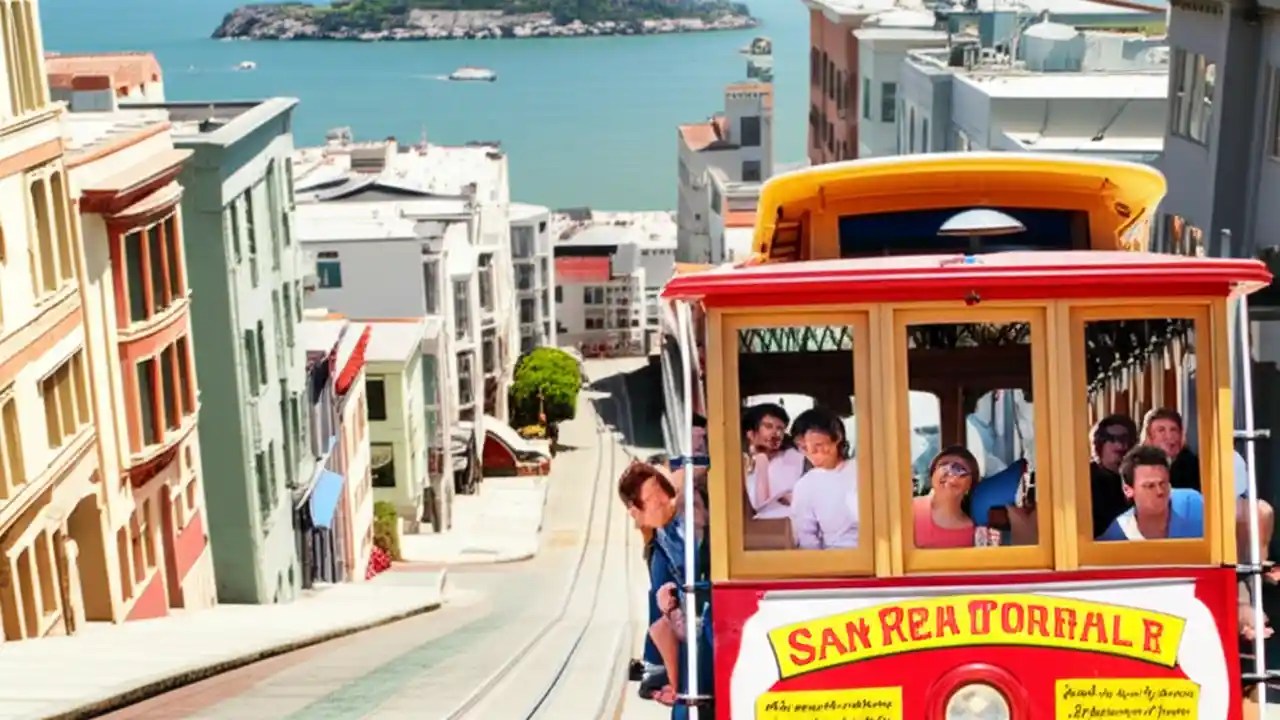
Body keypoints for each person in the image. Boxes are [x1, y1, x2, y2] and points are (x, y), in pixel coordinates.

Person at [617, 461, 707, 707]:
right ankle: (665, 678)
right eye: (651, 498)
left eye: (658, 494)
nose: (659, 501)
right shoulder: (663, 533)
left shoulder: (685, 524)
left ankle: (667, 680)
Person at [1098, 445, 1203, 541]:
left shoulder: (1195, 504)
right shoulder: (1116, 536)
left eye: (1163, 483)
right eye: (1150, 486)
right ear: (1128, 490)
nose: (1160, 491)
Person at [788, 408, 859, 549]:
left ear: (837, 438)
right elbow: (806, 537)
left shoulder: (864, 470)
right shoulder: (805, 485)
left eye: (818, 445)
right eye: (803, 447)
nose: (811, 452)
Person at [913, 446, 1000, 548]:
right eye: (943, 465)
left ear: (970, 485)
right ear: (932, 475)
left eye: (960, 469)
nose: (949, 473)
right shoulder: (909, 509)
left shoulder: (974, 534)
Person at [742, 403, 806, 519]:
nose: (776, 433)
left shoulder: (794, 458)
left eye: (780, 429)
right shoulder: (738, 459)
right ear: (751, 432)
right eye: (768, 426)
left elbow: (761, 503)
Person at [1090, 414, 1138, 538]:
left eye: (1125, 439)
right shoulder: (1087, 478)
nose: (1120, 445)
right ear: (1099, 444)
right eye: (1111, 439)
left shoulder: (1137, 475)